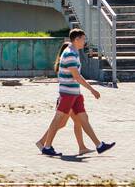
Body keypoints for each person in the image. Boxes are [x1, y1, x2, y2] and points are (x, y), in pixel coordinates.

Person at [35, 27, 114, 157]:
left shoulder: (74, 52)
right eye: (83, 39)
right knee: (59, 120)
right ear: (76, 39)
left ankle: (99, 145)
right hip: (67, 93)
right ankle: (46, 146)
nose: (85, 42)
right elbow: (77, 76)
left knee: (83, 119)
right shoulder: (70, 53)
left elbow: (76, 77)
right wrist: (92, 89)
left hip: (75, 93)